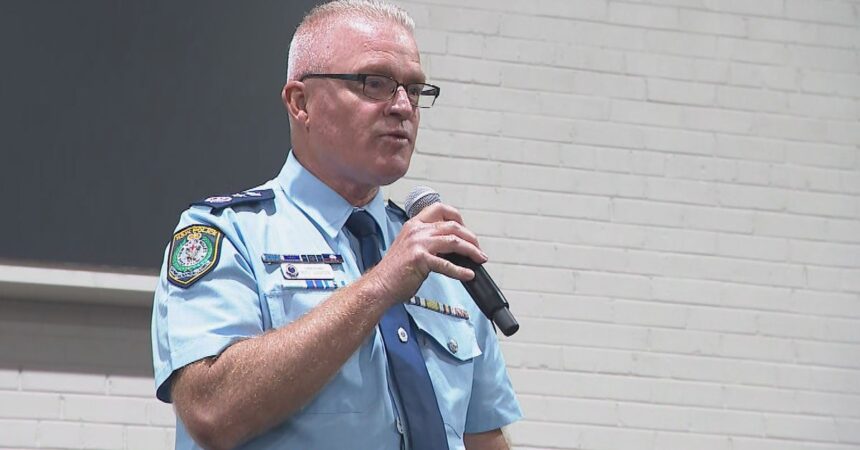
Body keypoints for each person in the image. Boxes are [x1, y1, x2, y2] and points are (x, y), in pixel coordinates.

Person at [151, 1, 521, 449]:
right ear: (300, 102)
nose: (402, 107)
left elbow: (482, 436)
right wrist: (380, 285)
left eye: (414, 89)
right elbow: (210, 410)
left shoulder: (434, 252)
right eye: (375, 83)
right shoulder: (230, 237)